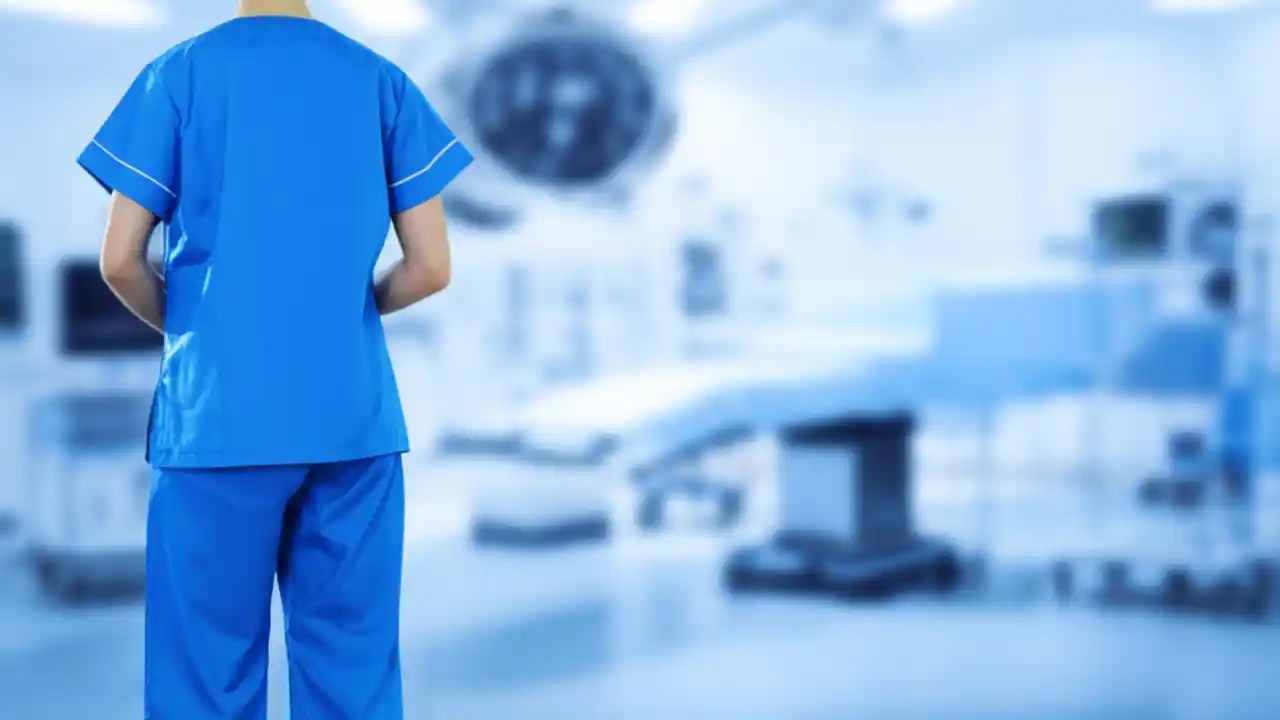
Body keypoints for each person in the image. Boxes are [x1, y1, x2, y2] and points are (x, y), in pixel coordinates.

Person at [76, 0, 472, 716]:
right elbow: (431, 267)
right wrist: (339, 316)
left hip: (216, 426)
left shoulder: (179, 75)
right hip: (352, 427)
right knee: (353, 673)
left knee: (204, 676)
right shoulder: (380, 81)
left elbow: (119, 262)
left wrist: (198, 329)